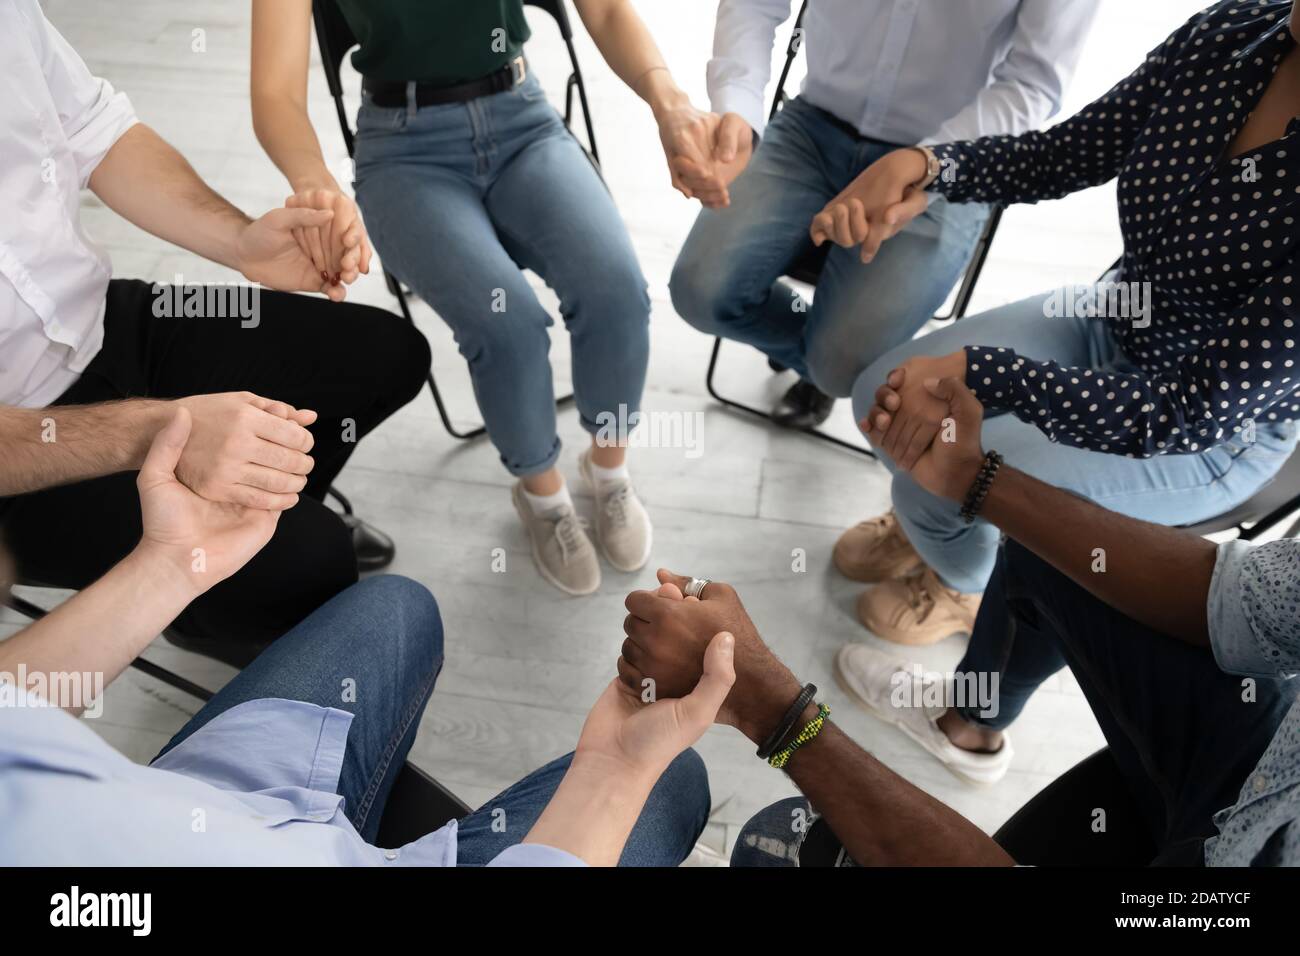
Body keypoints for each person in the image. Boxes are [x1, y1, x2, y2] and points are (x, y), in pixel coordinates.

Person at [620, 376, 1299, 866]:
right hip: (1262, 766)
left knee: (788, 844)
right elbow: (1244, 597)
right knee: (1050, 550)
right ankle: (968, 724)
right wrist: (976, 479)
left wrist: (772, 709)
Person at [0, 408, 725, 867]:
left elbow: (10, 715)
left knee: (397, 604)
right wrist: (616, 770)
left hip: (224, 796)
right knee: (671, 775)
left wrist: (168, 565)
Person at [817, 0, 1300, 645]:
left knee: (931, 488)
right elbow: (1071, 150)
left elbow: (1185, 412)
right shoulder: (1237, 29)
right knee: (882, 394)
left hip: (1213, 432)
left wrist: (986, 373)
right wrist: (931, 167)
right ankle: (941, 535)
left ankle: (965, 586)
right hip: (1116, 312)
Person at [0, 0, 431, 665]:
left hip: (100, 318)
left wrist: (240, 244)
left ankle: (248, 537)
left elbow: (95, 129)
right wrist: (165, 430)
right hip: (20, 460)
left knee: (386, 352)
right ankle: (215, 599)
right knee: (311, 561)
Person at [251, 0, 722, 596]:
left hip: (521, 119)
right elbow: (274, 93)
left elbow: (602, 9)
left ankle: (608, 470)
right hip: (403, 152)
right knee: (509, 327)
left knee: (618, 293)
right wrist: (318, 186)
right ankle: (542, 497)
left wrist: (669, 103)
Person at [668, 0, 1098, 429]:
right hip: (812, 129)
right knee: (699, 294)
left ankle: (823, 362)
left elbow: (1033, 83)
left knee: (839, 369)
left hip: (950, 161)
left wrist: (930, 167)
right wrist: (738, 109)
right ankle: (812, 343)